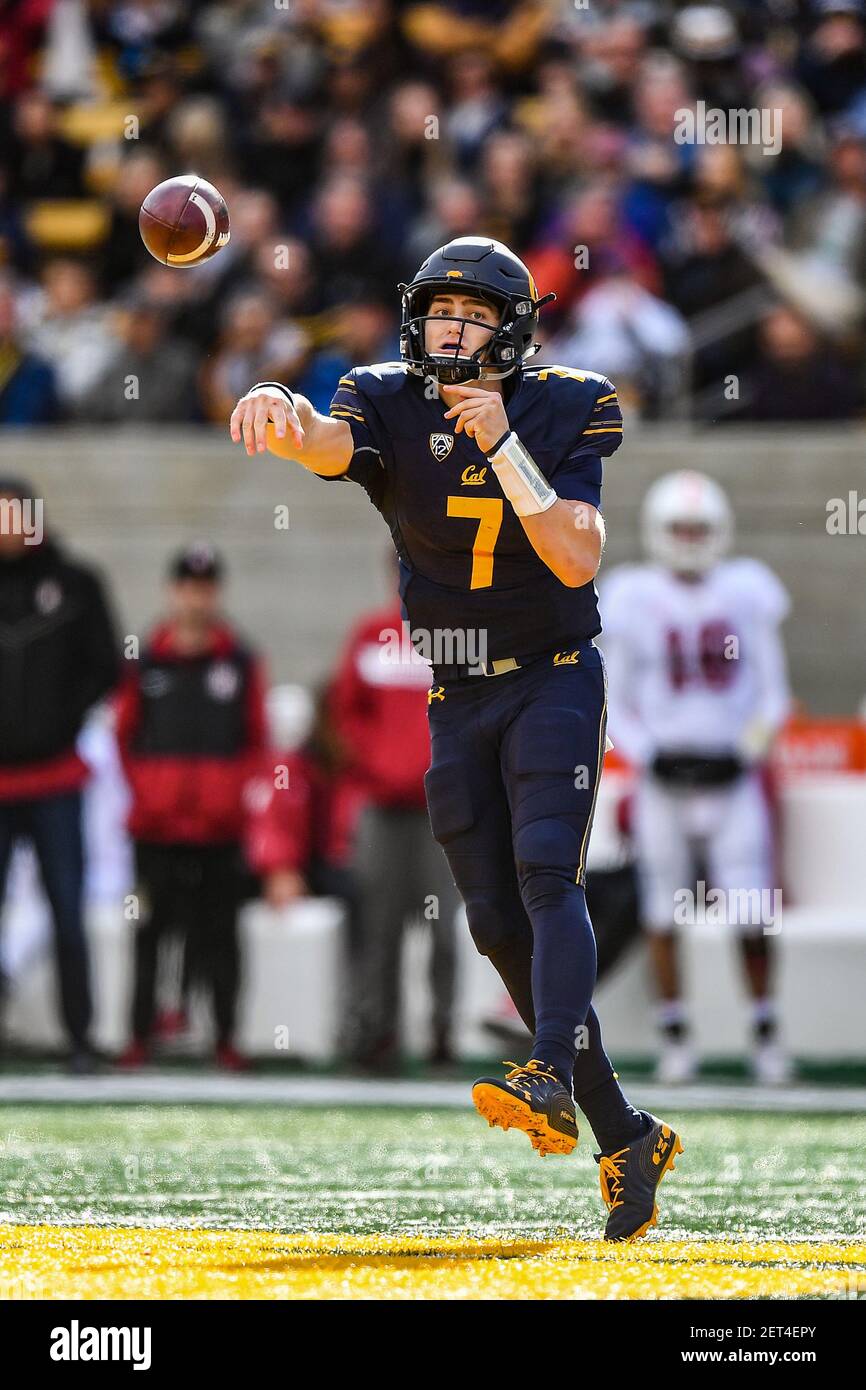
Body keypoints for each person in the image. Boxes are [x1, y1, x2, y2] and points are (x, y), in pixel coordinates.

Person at [230, 236, 683, 1242]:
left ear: (511, 333)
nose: (448, 327)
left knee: (544, 877)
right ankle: (624, 1132)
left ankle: (551, 1069)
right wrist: (279, 403)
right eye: (437, 309)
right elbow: (327, 445)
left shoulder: (568, 401)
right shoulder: (384, 396)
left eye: (470, 313)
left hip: (552, 673)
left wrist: (501, 447)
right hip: (453, 686)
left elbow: (575, 559)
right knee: (490, 922)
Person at [601, 471, 793, 1086]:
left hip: (733, 781)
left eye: (698, 529)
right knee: (662, 911)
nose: (688, 539)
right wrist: (649, 754)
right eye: (679, 528)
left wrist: (747, 752)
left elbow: (774, 696)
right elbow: (615, 698)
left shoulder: (745, 590)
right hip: (663, 783)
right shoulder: (632, 595)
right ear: (659, 532)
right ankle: (676, 1038)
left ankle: (765, 1034)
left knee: (753, 910)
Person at [115, 544, 267, 1070]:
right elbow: (124, 736)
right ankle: (140, 1036)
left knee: (221, 935)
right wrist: (152, 794)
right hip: (155, 829)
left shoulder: (240, 662)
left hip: (219, 831)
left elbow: (256, 741)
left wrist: (227, 798)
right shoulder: (146, 660)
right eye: (186, 586)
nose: (195, 598)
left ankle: (225, 1038)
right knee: (149, 933)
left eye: (204, 587)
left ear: (215, 593)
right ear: (172, 591)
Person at [0, 477, 119, 1071]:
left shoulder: (75, 583)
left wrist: (61, 719)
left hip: (55, 778)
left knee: (67, 910)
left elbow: (105, 665)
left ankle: (80, 1037)